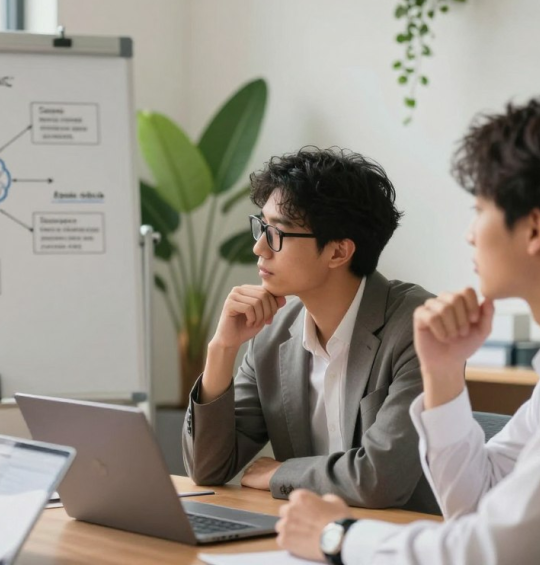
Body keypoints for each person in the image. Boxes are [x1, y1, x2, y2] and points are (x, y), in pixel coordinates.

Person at [276, 97, 540, 564]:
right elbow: (477, 504)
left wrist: (337, 536)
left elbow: (498, 552)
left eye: (480, 210)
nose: (470, 234)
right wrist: (444, 374)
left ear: (534, 229)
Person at [183, 147, 438, 513]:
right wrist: (221, 349)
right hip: (306, 540)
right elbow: (208, 468)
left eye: (276, 233)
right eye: (261, 226)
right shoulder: (274, 334)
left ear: (338, 253)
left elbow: (380, 480)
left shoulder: (419, 327)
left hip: (400, 545)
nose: (259, 248)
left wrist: (280, 473)